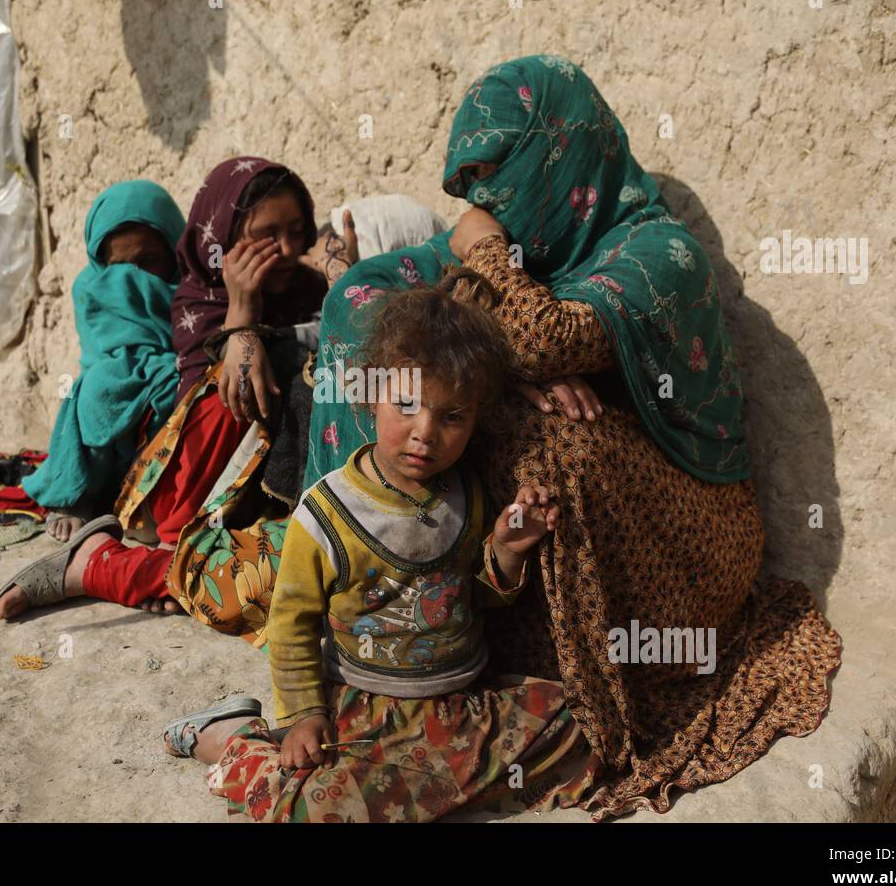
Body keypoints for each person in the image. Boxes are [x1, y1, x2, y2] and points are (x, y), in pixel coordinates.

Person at [304, 54, 843, 821]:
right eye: (469, 188)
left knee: (551, 437)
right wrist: (492, 360)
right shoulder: (538, 256)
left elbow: (548, 338)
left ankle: (585, 670)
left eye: (498, 174)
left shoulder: (661, 256)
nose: (486, 203)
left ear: (559, 153)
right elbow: (367, 303)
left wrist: (486, 266)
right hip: (572, 531)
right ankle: (383, 603)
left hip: (688, 547)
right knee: (402, 351)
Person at [160, 281, 601, 822]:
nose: (425, 433)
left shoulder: (466, 493)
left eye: (452, 417)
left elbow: (474, 597)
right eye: (408, 405)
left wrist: (507, 548)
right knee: (321, 811)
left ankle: (426, 786)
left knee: (584, 724)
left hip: (460, 709)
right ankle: (228, 738)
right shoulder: (327, 513)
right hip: (364, 712)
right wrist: (303, 715)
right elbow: (292, 623)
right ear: (372, 395)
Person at [0, 159, 344, 626]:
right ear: (222, 241)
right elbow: (213, 406)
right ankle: (167, 558)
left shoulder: (317, 288)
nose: (285, 249)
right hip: (181, 503)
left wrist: (342, 276)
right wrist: (242, 321)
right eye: (265, 235)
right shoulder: (200, 304)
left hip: (257, 505)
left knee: (323, 573)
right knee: (229, 390)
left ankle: (111, 567)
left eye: (298, 231)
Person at [10, 181, 184, 543]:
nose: (131, 277)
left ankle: (151, 498)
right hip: (114, 372)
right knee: (95, 392)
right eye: (118, 266)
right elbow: (102, 350)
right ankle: (85, 497)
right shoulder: (90, 289)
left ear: (173, 250)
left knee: (181, 394)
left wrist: (163, 369)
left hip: (176, 366)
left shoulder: (194, 290)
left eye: (147, 261)